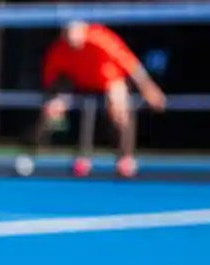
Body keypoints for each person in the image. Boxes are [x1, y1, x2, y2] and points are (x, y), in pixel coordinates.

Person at [16, 20, 166, 178]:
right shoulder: (60, 48)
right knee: (53, 108)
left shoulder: (101, 39)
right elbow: (51, 80)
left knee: (119, 105)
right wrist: (54, 103)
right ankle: (30, 152)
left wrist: (149, 88)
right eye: (67, 35)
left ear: (84, 30)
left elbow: (130, 63)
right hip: (78, 83)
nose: (72, 40)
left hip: (110, 80)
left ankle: (125, 158)